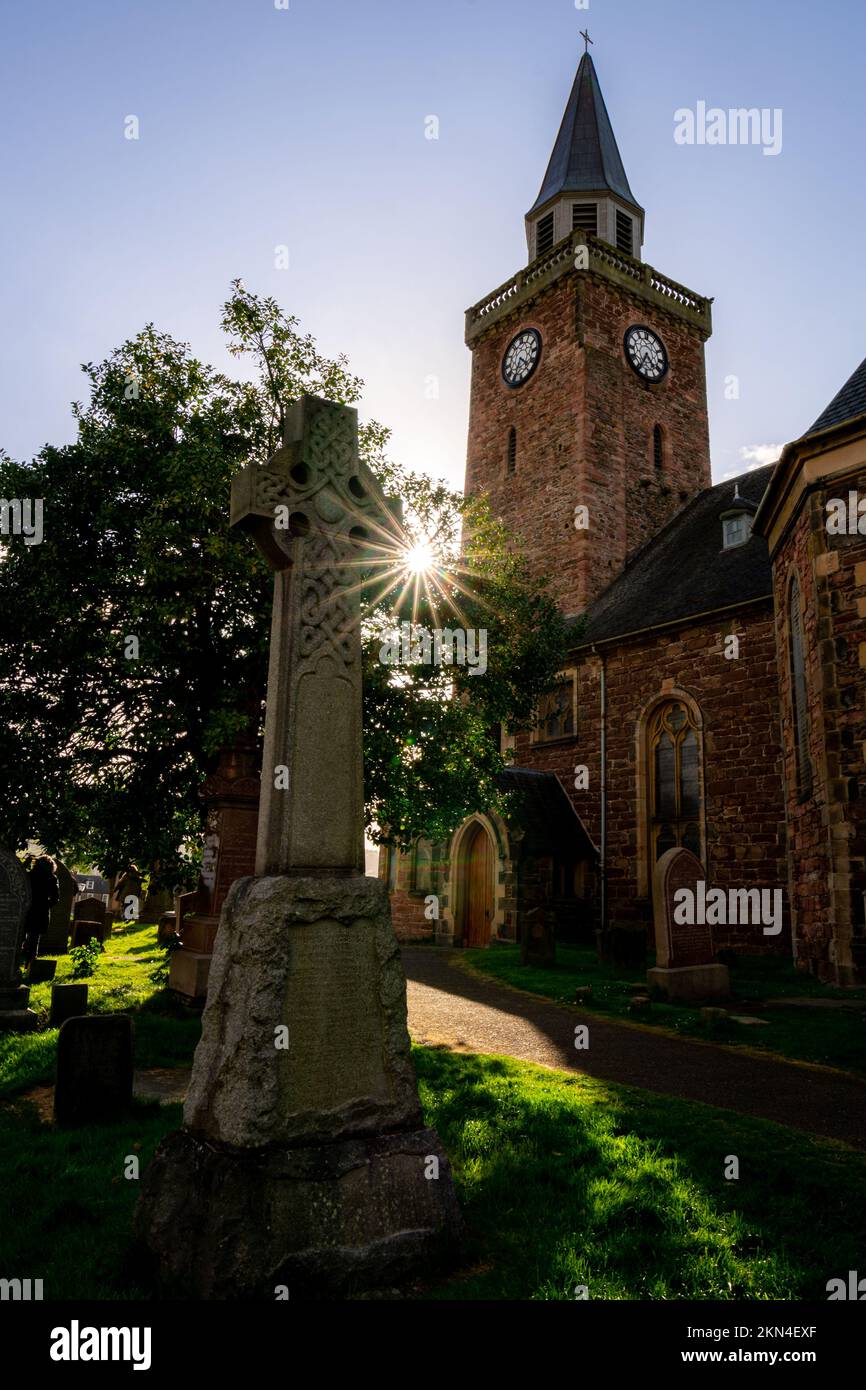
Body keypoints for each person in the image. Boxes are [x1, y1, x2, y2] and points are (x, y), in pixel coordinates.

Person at [21, 855, 59, 966]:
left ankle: (15, 962)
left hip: (27, 908)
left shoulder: (29, 875)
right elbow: (55, 898)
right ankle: (30, 964)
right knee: (34, 939)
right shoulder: (52, 878)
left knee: (21, 936)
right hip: (41, 910)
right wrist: (46, 905)